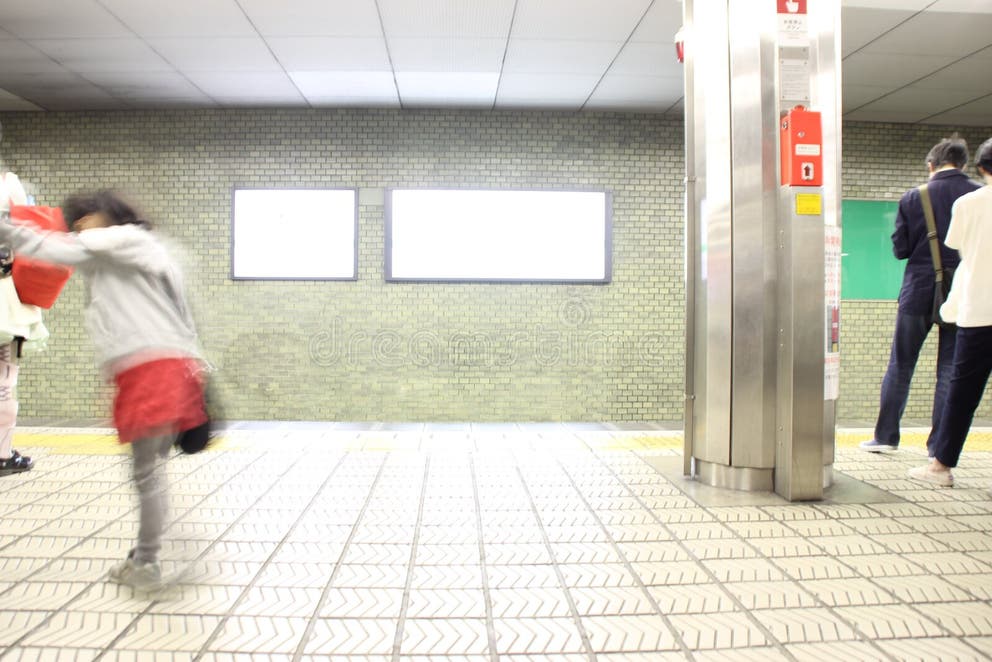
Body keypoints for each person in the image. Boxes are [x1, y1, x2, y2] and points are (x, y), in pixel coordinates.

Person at [0, 189, 205, 590]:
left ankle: (148, 563)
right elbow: (185, 314)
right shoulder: (151, 248)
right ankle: (147, 554)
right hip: (168, 367)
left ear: (105, 216)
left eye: (83, 218)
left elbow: (49, 248)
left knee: (147, 474)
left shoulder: (116, 241)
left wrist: (6, 225)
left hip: (149, 368)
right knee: (151, 470)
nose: (78, 227)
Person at [860, 138, 981, 455]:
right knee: (949, 370)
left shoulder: (915, 197)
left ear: (931, 165)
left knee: (901, 364)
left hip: (918, 292)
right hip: (960, 293)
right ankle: (937, 447)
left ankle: (885, 437)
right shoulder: (977, 196)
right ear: (964, 165)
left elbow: (900, 249)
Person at [907, 138, 992, 486]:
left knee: (964, 390)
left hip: (979, 310)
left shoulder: (969, 204)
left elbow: (956, 245)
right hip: (976, 307)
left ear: (982, 168)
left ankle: (940, 466)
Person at [0, 126, 50, 475]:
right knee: (4, 381)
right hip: (6, 302)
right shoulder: (8, 184)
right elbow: (27, 232)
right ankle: (2, 454)